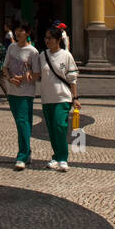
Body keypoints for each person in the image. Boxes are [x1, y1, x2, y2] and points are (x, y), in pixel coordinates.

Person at [39, 24, 79, 170]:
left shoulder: (66, 55)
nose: (47, 41)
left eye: (50, 38)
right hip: (47, 97)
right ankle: (56, 156)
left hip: (63, 97)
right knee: (52, 129)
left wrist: (75, 98)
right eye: (46, 38)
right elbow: (36, 73)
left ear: (57, 40)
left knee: (60, 126)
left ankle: (63, 158)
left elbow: (72, 78)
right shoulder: (42, 56)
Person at [2, 23, 41, 169]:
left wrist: (24, 78)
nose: (18, 33)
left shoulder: (33, 52)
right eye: (16, 30)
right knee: (24, 122)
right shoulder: (11, 48)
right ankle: (28, 152)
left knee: (22, 122)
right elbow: (5, 67)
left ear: (28, 33)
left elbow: (37, 74)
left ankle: (22, 156)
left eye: (22, 30)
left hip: (26, 92)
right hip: (12, 91)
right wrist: (10, 78)